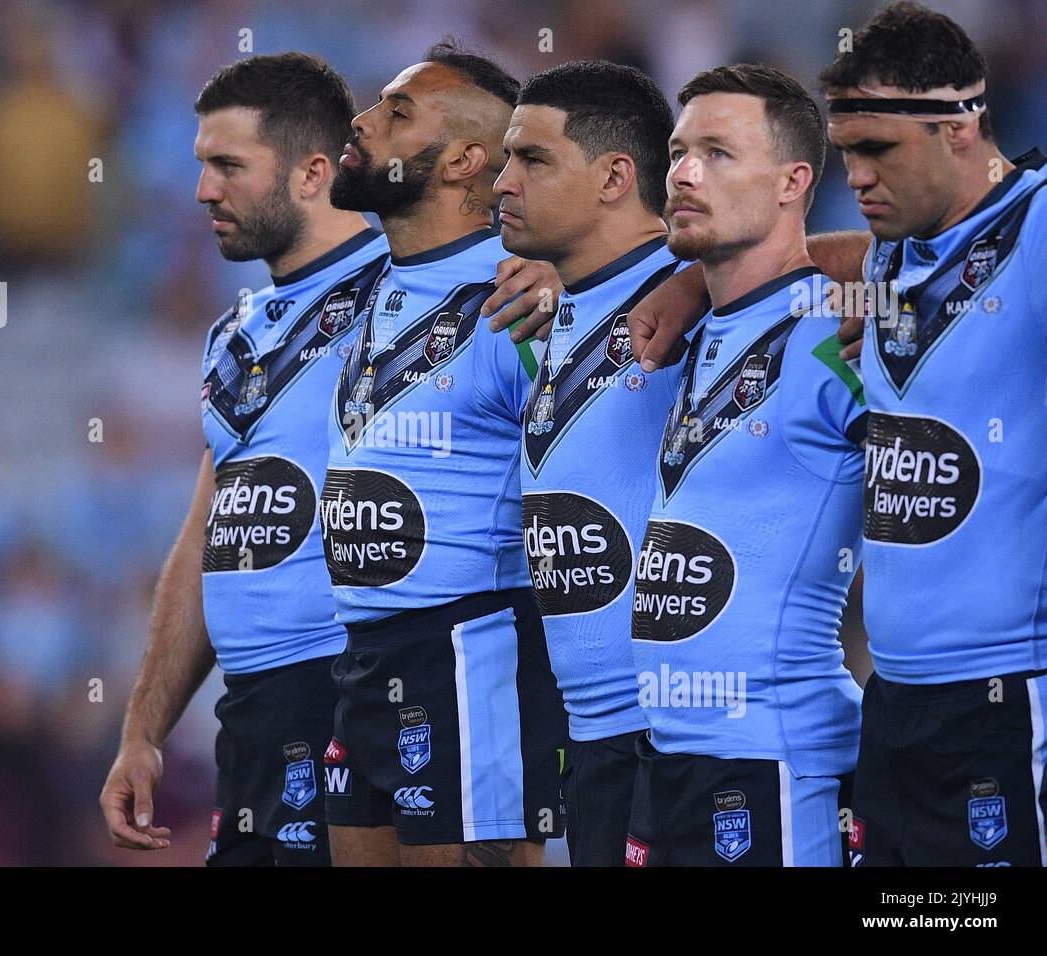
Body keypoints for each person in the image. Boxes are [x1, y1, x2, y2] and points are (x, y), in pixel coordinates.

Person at [100, 53, 388, 866]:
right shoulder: (236, 333)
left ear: (313, 173)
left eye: (228, 165)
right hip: (251, 716)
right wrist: (142, 733)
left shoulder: (405, 300)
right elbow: (205, 537)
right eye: (201, 166)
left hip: (353, 700)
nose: (203, 190)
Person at [320, 40, 566, 867]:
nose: (361, 121)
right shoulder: (372, 287)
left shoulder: (518, 299)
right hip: (362, 648)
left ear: (464, 160)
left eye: (396, 113)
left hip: (467, 647)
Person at [822, 1, 1047, 866]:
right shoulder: (893, 253)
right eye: (847, 154)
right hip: (894, 696)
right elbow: (825, 258)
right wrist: (688, 281)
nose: (860, 177)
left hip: (1004, 699)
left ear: (960, 125)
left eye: (878, 150)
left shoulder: (1031, 232)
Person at [625, 64, 866, 866]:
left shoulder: (840, 332)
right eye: (678, 151)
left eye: (720, 153)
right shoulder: (695, 328)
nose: (685, 174)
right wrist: (692, 283)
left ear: (794, 180)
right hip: (665, 760)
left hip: (774, 765)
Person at [492, 60, 685, 865]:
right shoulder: (551, 309)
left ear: (614, 178)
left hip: (681, 731)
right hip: (591, 733)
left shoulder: (697, 302)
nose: (502, 181)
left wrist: (706, 277)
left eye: (532, 160)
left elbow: (839, 291)